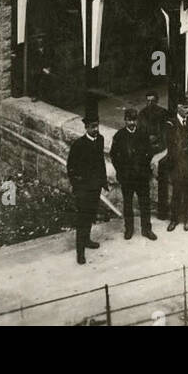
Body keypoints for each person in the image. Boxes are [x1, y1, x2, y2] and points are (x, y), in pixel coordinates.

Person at [110, 106, 157, 242]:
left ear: (137, 121)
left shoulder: (143, 133)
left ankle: (147, 229)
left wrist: (145, 168)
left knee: (144, 203)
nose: (132, 123)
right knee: (128, 204)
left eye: (134, 120)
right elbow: (114, 156)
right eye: (129, 120)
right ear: (125, 121)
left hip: (141, 177)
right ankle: (129, 229)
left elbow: (149, 152)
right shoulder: (119, 136)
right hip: (127, 178)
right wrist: (121, 171)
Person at [66, 112, 107, 264]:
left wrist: (103, 182)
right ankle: (80, 252)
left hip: (95, 187)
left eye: (97, 126)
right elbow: (71, 168)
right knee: (82, 220)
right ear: (86, 127)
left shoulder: (100, 140)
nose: (95, 129)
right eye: (92, 127)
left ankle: (88, 240)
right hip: (83, 189)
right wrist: (77, 187)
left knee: (90, 215)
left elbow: (100, 162)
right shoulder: (78, 145)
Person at [165, 94, 188, 231]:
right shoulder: (171, 123)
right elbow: (173, 143)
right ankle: (174, 219)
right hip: (177, 162)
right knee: (177, 192)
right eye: (185, 107)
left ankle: (187, 218)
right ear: (178, 107)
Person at [138, 89, 170, 220]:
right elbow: (140, 132)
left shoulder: (163, 113)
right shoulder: (142, 114)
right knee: (142, 175)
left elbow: (166, 132)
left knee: (163, 176)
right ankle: (145, 209)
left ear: (157, 101)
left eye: (153, 101)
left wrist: (157, 140)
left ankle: (162, 211)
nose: (150, 103)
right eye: (148, 101)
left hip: (161, 148)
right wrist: (147, 139)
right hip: (147, 149)